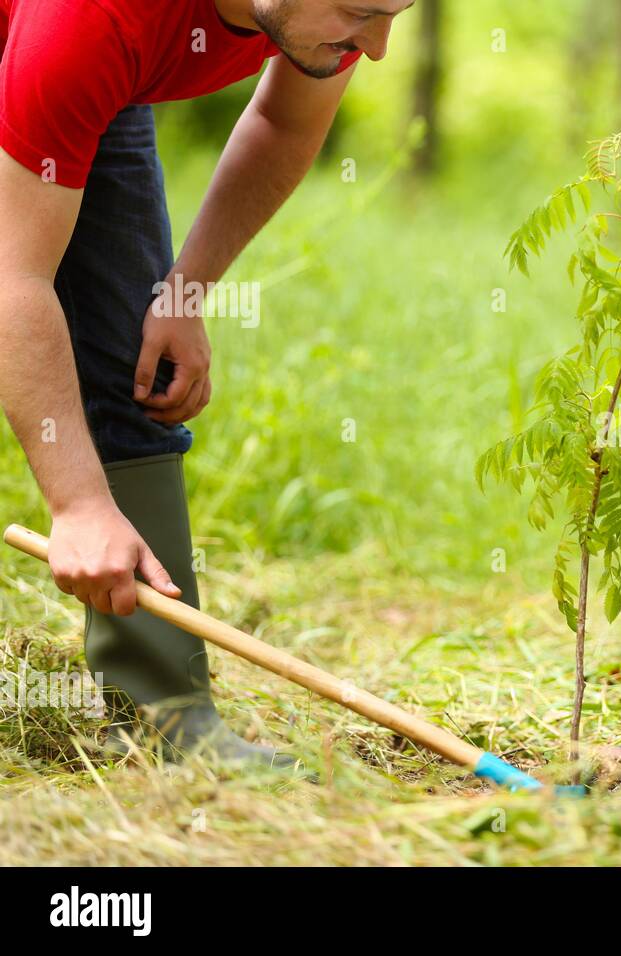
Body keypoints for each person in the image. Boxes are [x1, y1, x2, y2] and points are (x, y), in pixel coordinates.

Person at [0, 0, 412, 766]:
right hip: (43, 54)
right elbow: (14, 275)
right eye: (363, 12)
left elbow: (286, 127)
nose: (380, 47)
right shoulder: (92, 18)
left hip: (93, 77)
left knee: (137, 362)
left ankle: (161, 719)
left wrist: (184, 291)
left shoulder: (326, 24)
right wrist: (78, 504)